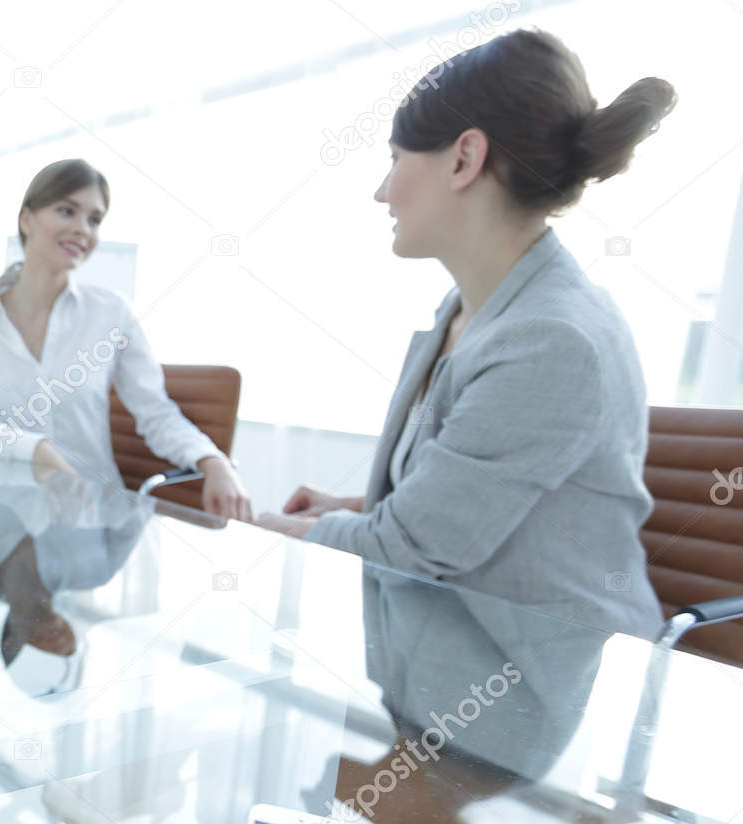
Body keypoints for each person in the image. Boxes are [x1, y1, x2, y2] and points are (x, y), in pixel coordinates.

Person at [256, 30, 673, 637]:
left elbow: (407, 549)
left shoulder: (552, 341)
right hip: (447, 644)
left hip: (541, 670)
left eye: (395, 159)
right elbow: (462, 507)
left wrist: (265, 529)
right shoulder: (467, 309)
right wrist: (354, 508)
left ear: (464, 159)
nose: (381, 191)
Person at [0, 158, 251, 520]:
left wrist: (213, 461)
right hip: (1, 517)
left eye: (94, 219)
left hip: (94, 517)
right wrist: (36, 449)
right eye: (67, 211)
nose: (82, 230)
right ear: (27, 219)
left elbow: (156, 413)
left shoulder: (112, 313)